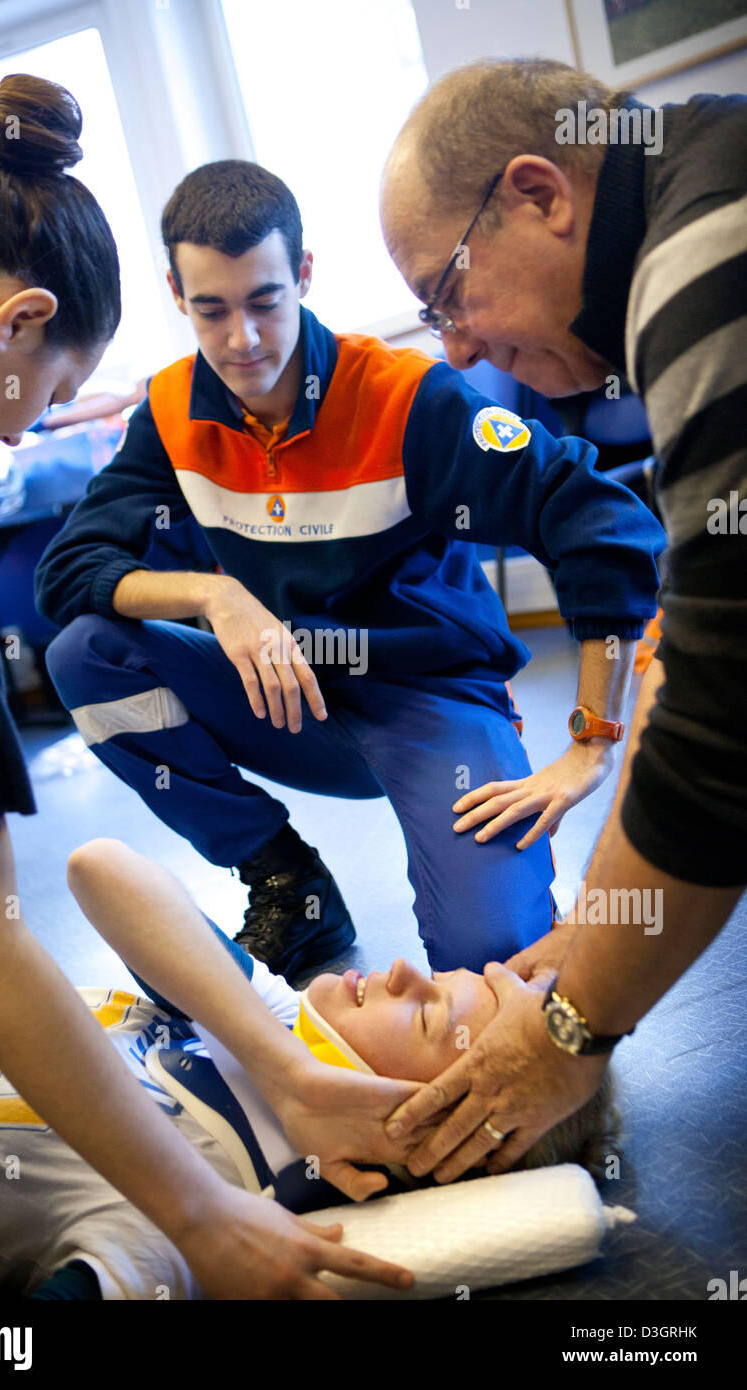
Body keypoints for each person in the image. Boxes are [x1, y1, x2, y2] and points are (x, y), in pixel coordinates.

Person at [0, 73, 419, 1301]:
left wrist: (272, 1066)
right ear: (17, 321)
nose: (24, 435)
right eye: (53, 393)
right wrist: (197, 1215)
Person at [34, 158, 665, 983]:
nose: (243, 340)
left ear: (301, 275)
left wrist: (594, 740)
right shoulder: (171, 408)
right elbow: (69, 570)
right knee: (87, 654)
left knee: (489, 976)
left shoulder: (408, 397)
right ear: (178, 296)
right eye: (213, 310)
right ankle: (286, 883)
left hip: (434, 704)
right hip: (287, 696)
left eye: (264, 301)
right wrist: (213, 593)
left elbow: (601, 518)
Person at [378, 57, 747, 1180]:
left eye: (448, 295)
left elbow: (724, 730)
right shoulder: (695, 188)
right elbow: (688, 649)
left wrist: (571, 1029)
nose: (453, 346)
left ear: (540, 195)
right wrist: (593, 931)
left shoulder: (701, 271)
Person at [0, 837, 618, 1300]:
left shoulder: (200, 1219)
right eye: (436, 974)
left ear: (426, 1133)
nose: (399, 970)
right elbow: (101, 869)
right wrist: (286, 1072)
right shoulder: (268, 1026)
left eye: (427, 1015)